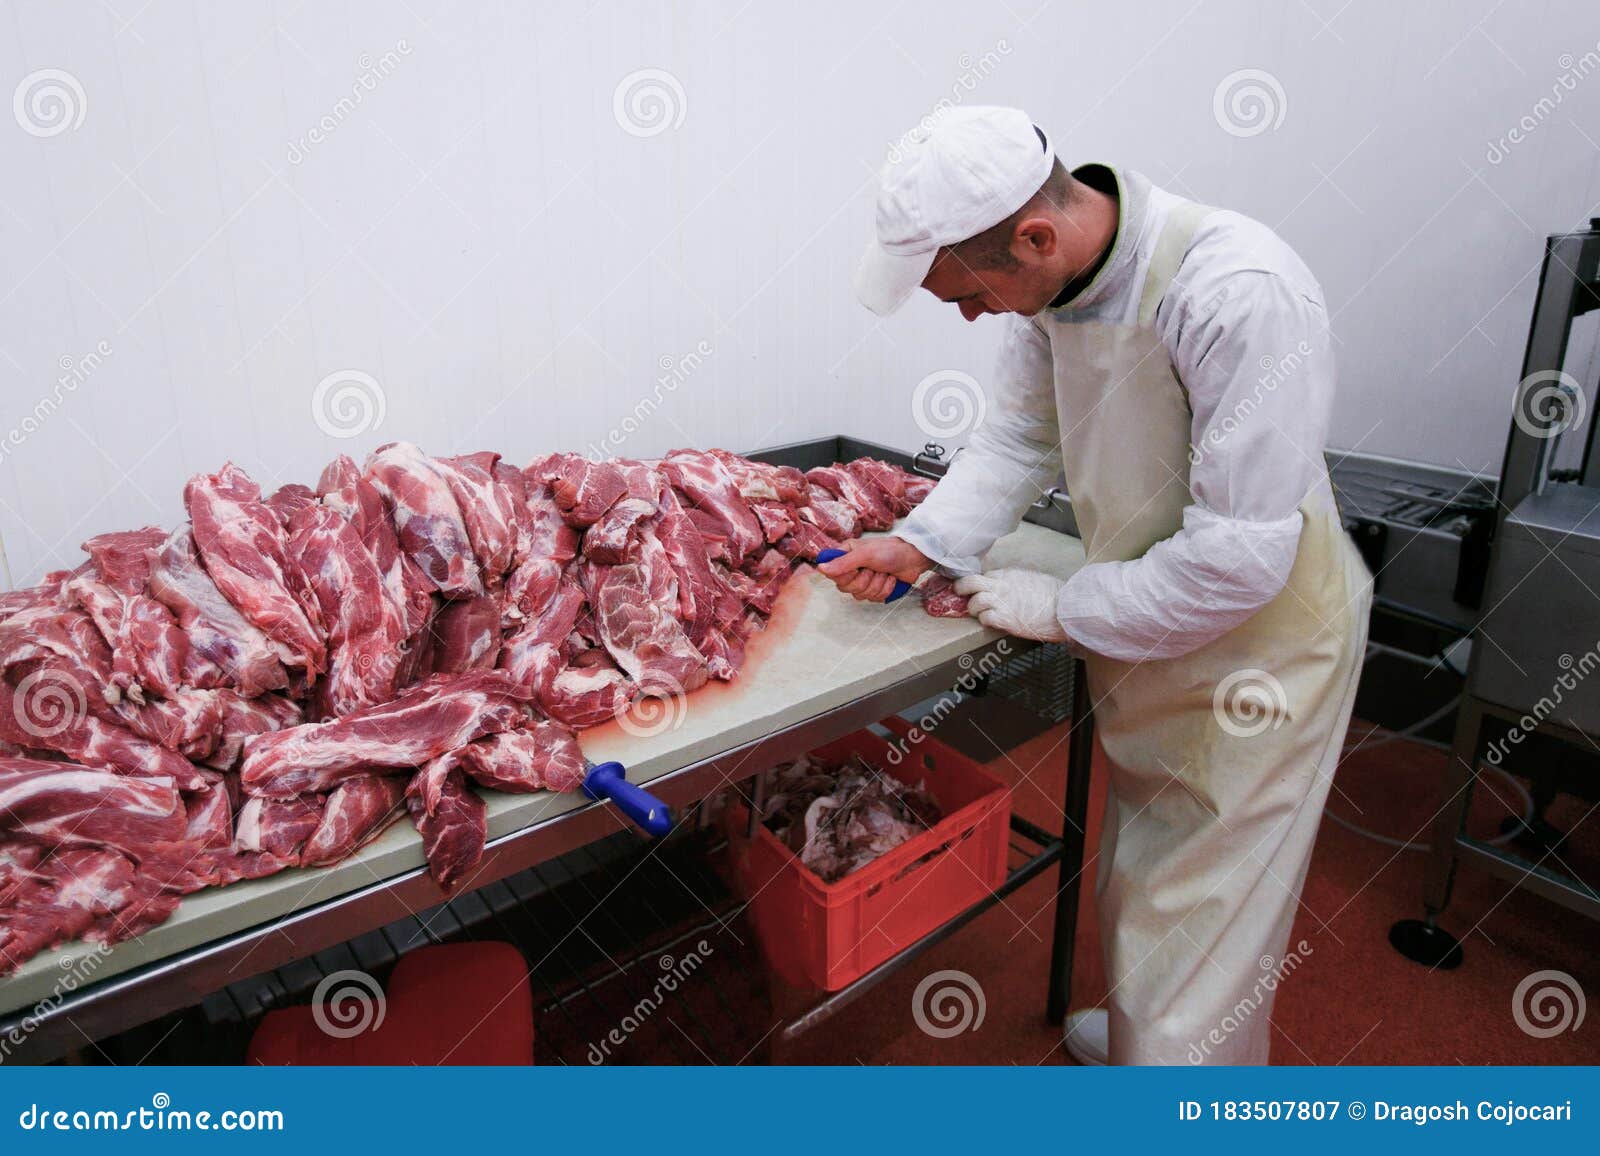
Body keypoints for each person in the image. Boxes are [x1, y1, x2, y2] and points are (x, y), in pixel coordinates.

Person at [820, 105, 1372, 1065]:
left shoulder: (1238, 292)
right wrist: (925, 544)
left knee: (1209, 906)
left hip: (1262, 649)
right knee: (1143, 864)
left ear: (1034, 237)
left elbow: (1241, 558)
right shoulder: (1054, 291)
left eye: (965, 293)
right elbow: (1020, 437)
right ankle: (1143, 1039)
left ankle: (1176, 1072)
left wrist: (1067, 606)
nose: (968, 314)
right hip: (1158, 619)